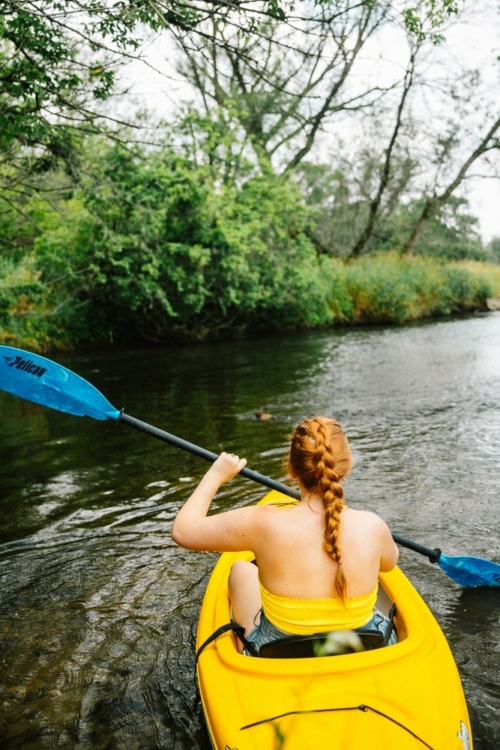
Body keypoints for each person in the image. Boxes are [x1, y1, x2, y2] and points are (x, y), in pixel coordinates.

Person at [171, 416, 399, 655]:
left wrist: (216, 475)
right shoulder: (373, 526)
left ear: (291, 470)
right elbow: (389, 563)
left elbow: (182, 531)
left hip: (280, 651)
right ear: (345, 467)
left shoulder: (262, 522)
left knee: (240, 568)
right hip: (362, 644)